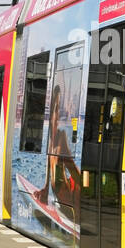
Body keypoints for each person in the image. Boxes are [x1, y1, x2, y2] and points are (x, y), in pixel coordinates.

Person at [35, 85, 80, 217]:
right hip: (62, 202)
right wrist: (44, 190)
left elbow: (75, 174)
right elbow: (48, 179)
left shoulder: (61, 139)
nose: (57, 115)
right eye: (55, 109)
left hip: (71, 201)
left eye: (59, 110)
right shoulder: (50, 144)